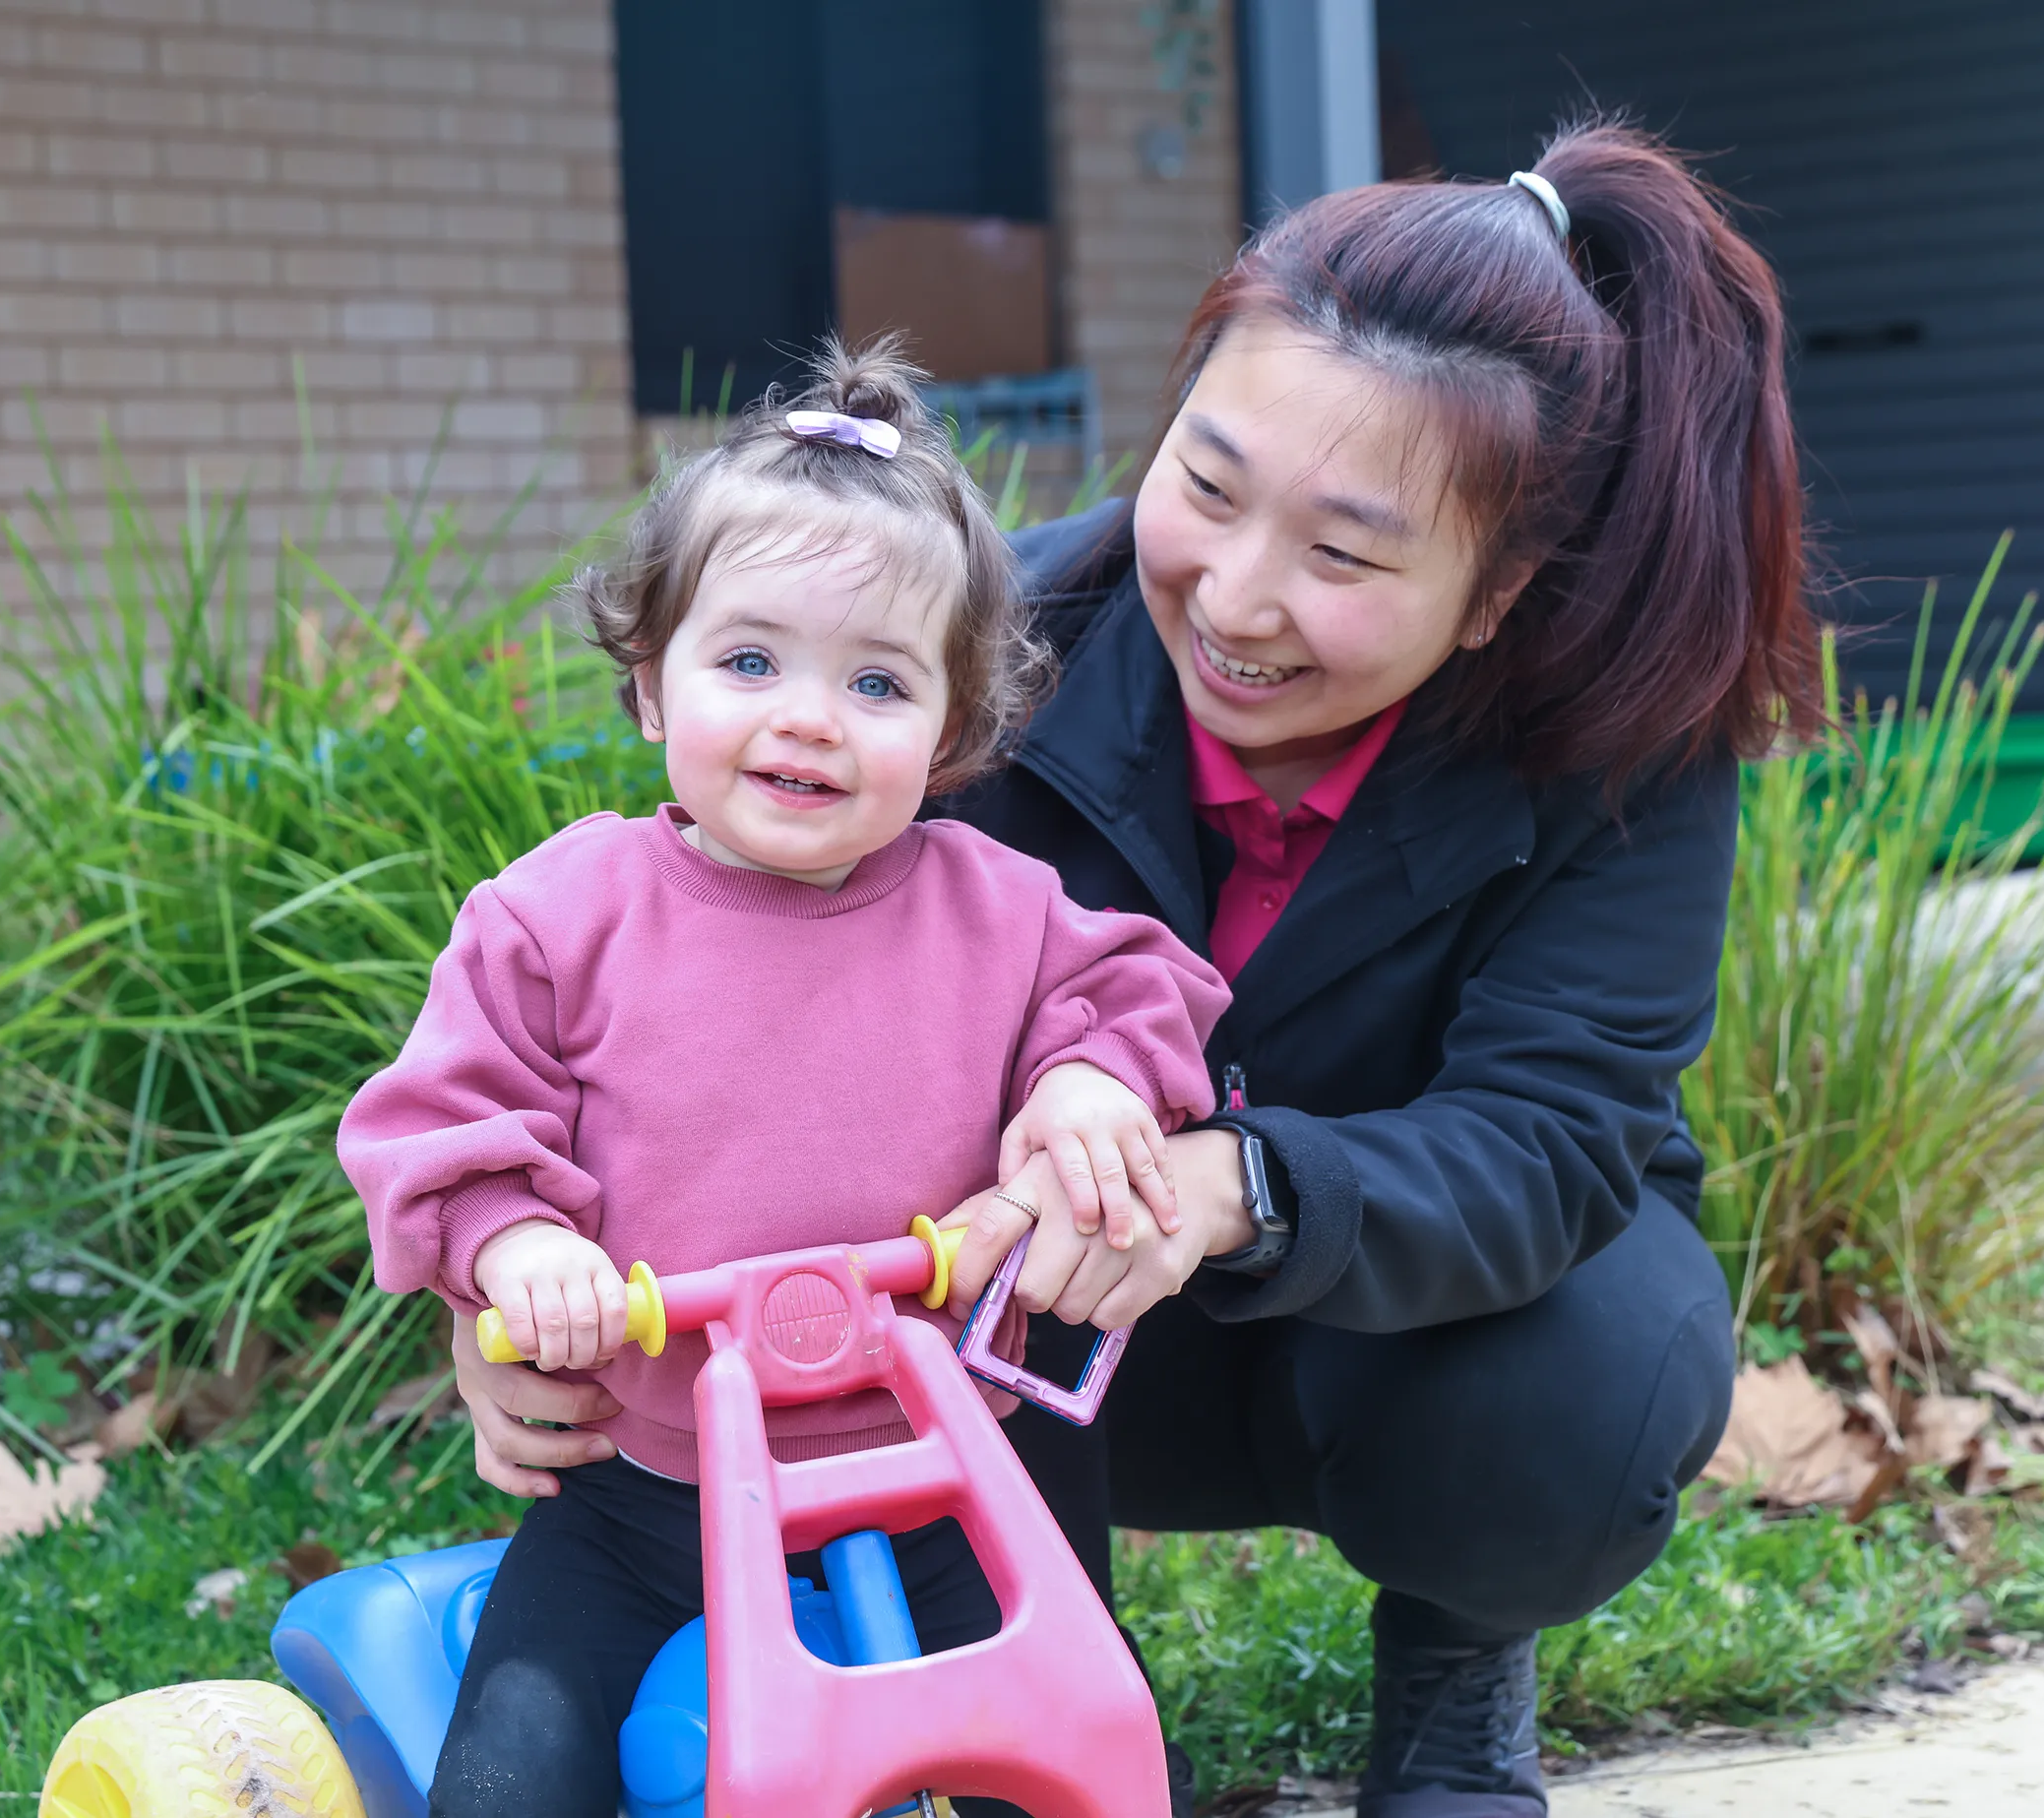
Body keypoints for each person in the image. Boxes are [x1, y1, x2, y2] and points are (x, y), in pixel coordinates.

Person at [449, 119, 1821, 1817]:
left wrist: (1225, 1182)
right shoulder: (963, 665)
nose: (1234, 598)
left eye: (1346, 552)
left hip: (1406, 1320)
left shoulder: (1613, 749)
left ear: (1494, 594)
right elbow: (679, 981)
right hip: (1016, 1336)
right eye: (1208, 483)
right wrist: (506, 1288)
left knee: (1578, 1393)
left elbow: (1550, 1137)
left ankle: (1462, 1671)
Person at [338, 341, 1230, 1818]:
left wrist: (1086, 1087)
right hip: (650, 1487)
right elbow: (444, 1118)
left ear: (947, 735)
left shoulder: (995, 907)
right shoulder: (558, 916)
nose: (808, 716)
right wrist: (522, 1245)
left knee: (1088, 1741)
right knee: (516, 1760)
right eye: (749, 661)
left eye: (876, 681)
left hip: (942, 1473)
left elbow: (1134, 987)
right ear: (648, 689)